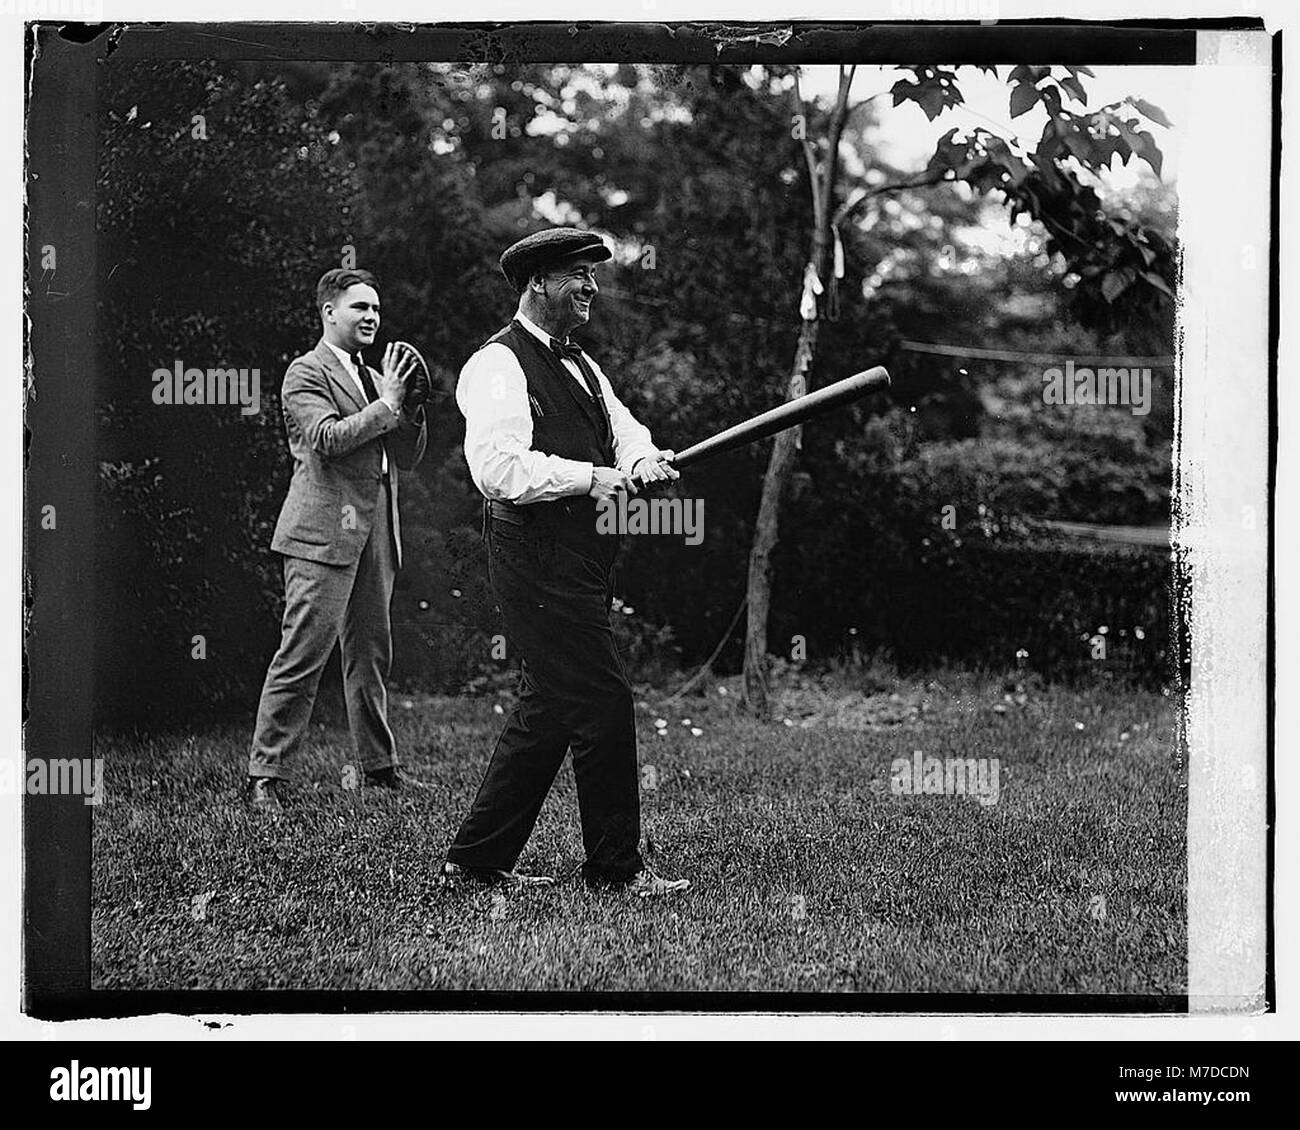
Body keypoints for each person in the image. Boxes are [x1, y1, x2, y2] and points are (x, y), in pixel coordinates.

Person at [445, 227, 690, 897]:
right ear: (537, 283)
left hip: (576, 550)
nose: (591, 287)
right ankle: (616, 871)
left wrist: (640, 460)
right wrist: (591, 479)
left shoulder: (582, 362)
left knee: (549, 704)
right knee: (601, 699)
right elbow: (497, 470)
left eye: (593, 274)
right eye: (577, 275)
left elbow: (622, 426)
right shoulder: (497, 364)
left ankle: (476, 858)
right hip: (530, 549)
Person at [246, 268, 430, 812]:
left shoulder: (378, 379)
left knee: (371, 656)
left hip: (374, 535)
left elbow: (406, 457)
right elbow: (326, 440)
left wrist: (411, 409)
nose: (372, 316)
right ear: (329, 312)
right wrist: (389, 405)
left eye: (376, 308)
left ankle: (380, 768)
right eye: (359, 308)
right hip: (321, 534)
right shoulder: (305, 372)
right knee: (302, 654)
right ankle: (266, 776)